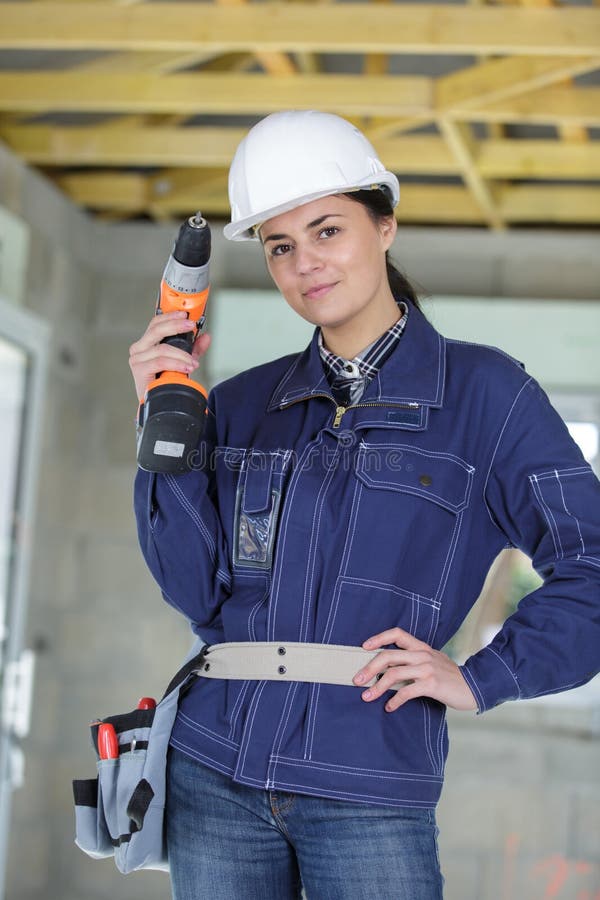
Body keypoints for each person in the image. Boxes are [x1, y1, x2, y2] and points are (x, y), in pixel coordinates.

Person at [129, 110, 600, 900]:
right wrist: (165, 424)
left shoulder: (488, 397)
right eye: (281, 247)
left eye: (327, 231)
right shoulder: (242, 404)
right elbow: (194, 590)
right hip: (211, 770)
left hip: (368, 787)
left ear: (385, 225)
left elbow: (591, 561)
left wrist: (483, 676)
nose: (305, 264)